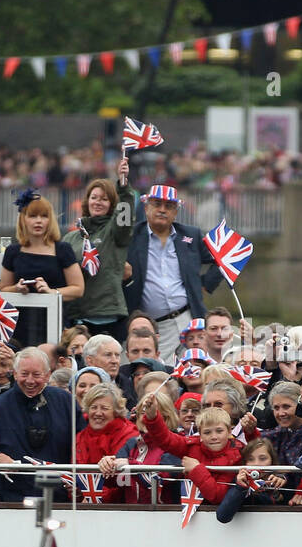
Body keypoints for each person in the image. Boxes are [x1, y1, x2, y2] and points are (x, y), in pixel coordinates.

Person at [0, 347, 78, 502]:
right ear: (14, 373)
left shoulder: (65, 402)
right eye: (24, 374)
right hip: (12, 501)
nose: (30, 380)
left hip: (62, 501)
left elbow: (85, 440)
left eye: (36, 374)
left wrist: (80, 482)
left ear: (48, 375)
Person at [123, 185, 224, 365]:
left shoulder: (190, 235)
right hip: (152, 325)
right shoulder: (131, 236)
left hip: (188, 318)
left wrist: (205, 285)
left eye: (169, 206)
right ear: (146, 208)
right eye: (157, 204)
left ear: (176, 212)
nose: (162, 210)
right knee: (154, 371)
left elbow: (221, 259)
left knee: (196, 369)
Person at [63, 158, 136, 342]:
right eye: (94, 197)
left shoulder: (115, 231)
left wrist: (123, 185)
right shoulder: (72, 237)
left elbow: (125, 217)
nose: (98, 202)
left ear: (112, 204)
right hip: (77, 318)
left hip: (108, 316)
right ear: (87, 201)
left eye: (104, 199)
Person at [0, 190, 84, 347]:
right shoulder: (13, 251)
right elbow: (3, 289)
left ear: (50, 220)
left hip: (54, 323)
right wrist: (17, 288)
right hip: (20, 326)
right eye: (33, 216)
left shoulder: (62, 249)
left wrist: (51, 292)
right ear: (23, 219)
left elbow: (78, 289)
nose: (38, 221)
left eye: (44, 216)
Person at [138, 394, 243, 505]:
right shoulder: (192, 446)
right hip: (187, 513)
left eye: (219, 431)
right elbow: (166, 439)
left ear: (229, 432)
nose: (214, 436)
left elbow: (218, 496)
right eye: (207, 432)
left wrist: (196, 469)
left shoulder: (236, 456)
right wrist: (152, 417)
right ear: (200, 435)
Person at [99, 387, 182, 504]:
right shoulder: (131, 444)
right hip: (132, 514)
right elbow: (118, 481)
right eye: (142, 413)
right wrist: (107, 465)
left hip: (166, 516)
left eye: (151, 414)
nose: (144, 419)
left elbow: (159, 479)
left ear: (166, 417)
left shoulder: (176, 443)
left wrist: (130, 465)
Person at [216, 438, 290, 523]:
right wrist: (240, 487)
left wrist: (277, 490)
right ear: (245, 463)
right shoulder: (238, 483)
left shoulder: (281, 480)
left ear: (272, 460)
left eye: (262, 458)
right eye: (250, 459)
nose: (256, 463)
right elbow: (222, 517)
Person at [75, 382, 138, 470]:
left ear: (116, 411)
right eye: (93, 407)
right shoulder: (79, 438)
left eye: (104, 408)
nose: (98, 413)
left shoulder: (130, 435)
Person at [261, 381, 302, 466]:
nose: (281, 413)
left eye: (286, 407)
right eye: (276, 408)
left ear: (301, 405)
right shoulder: (274, 434)